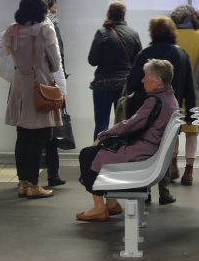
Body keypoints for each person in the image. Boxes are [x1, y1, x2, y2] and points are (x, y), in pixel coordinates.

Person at [76, 59, 179, 221]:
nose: (142, 80)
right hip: (151, 152)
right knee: (96, 152)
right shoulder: (171, 99)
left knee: (88, 154)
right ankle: (111, 204)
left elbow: (130, 124)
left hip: (142, 154)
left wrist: (103, 135)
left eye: (146, 76)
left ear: (158, 81)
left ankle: (99, 207)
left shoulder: (155, 101)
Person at [125, 16, 197, 204]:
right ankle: (164, 193)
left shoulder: (145, 54)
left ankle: (145, 190)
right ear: (172, 31)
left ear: (153, 32)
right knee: (166, 150)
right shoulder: (182, 54)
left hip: (146, 111)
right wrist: (191, 113)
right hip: (171, 112)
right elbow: (190, 87)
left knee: (145, 150)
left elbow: (132, 81)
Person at [1, 0, 67, 199]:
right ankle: (33, 185)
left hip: (19, 84)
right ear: (41, 12)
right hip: (39, 85)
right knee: (38, 138)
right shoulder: (45, 30)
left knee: (22, 137)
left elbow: (8, 52)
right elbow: (55, 63)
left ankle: (22, 182)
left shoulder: (12, 30)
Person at [170, 4, 199, 185]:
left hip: (173, 92)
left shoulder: (171, 37)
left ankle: (173, 166)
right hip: (197, 93)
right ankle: (189, 172)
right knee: (192, 132)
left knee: (172, 131)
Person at [87, 0, 142, 138]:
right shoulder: (133, 34)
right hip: (125, 85)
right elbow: (138, 63)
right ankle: (123, 156)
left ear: (109, 13)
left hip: (103, 84)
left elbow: (92, 60)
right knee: (125, 124)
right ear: (124, 14)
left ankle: (99, 156)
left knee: (101, 124)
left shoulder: (101, 33)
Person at [37, 0, 67, 186]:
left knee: (26, 135)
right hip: (49, 85)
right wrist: (62, 89)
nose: (56, 10)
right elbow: (58, 60)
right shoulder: (50, 26)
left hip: (29, 85)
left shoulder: (18, 28)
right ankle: (53, 174)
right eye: (54, 6)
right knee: (51, 130)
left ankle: (27, 177)